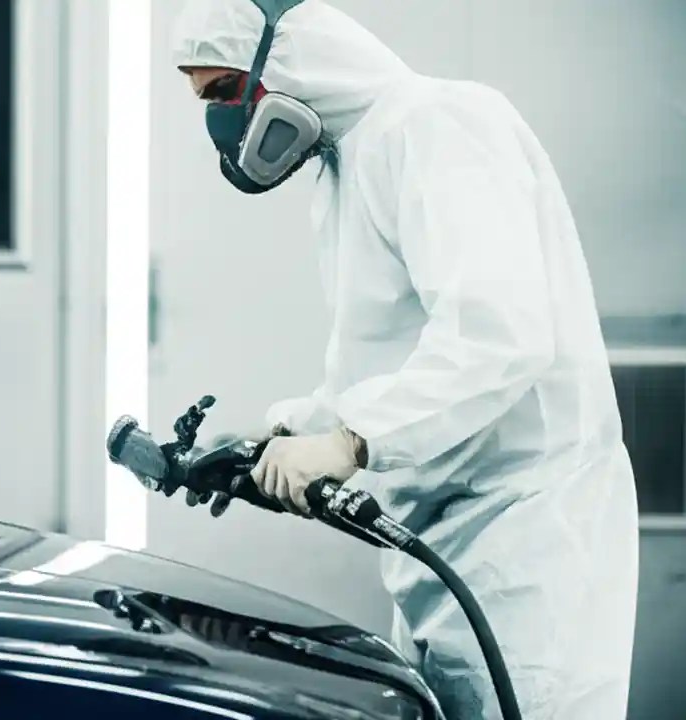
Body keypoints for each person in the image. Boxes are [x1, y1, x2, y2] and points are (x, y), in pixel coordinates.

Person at [170, 1, 640, 717]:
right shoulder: (347, 159)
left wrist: (353, 439)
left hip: (524, 542)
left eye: (224, 93)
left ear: (287, 56)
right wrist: (283, 436)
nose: (220, 123)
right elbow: (377, 363)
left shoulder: (435, 123)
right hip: (443, 539)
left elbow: (500, 335)